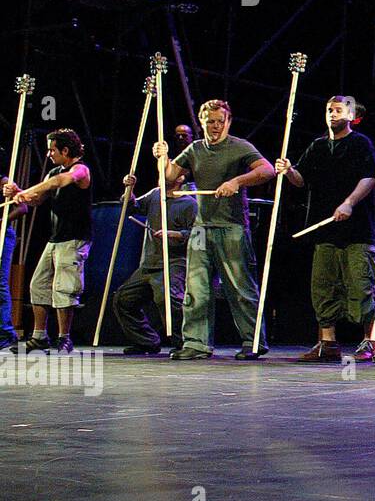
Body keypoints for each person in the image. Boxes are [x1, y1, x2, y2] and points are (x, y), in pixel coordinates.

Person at [153, 99, 276, 360]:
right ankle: (196, 343)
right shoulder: (195, 149)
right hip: (201, 228)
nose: (216, 126)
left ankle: (253, 340)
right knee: (196, 289)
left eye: (221, 121)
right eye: (211, 122)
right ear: (202, 122)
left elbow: (267, 170)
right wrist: (161, 159)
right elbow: (168, 178)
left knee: (240, 288)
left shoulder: (239, 147)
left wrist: (237, 181)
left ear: (228, 122)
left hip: (232, 227)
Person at [276, 96, 375, 363]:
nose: (332, 114)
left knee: (360, 285)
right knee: (323, 287)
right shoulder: (318, 146)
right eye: (329, 110)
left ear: (351, 114)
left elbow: (370, 176)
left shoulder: (360, 143)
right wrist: (288, 171)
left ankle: (369, 341)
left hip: (357, 230)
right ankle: (328, 342)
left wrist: (349, 203)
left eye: (338, 110)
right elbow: (301, 180)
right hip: (324, 230)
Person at [3, 130, 94, 354]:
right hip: (55, 238)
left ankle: (64, 338)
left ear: (65, 150)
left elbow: (60, 181)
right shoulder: (53, 170)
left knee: (64, 289)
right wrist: (18, 192)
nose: (48, 154)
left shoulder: (81, 169)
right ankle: (39, 337)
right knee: (38, 285)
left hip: (74, 238)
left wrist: (31, 190)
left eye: (52, 149)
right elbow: (36, 200)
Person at [112, 174, 197, 354]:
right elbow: (131, 208)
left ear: (180, 177)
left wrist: (176, 234)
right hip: (150, 262)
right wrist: (130, 189)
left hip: (174, 262)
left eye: (168, 170)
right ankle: (146, 341)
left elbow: (198, 234)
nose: (161, 172)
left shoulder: (189, 204)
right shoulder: (155, 194)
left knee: (168, 298)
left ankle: (186, 343)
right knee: (123, 299)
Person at [0, 151, 28, 353]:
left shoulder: (3, 180)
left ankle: (6, 332)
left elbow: (23, 207)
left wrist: (3, 221)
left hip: (2, 234)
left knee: (0, 283)